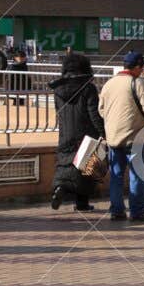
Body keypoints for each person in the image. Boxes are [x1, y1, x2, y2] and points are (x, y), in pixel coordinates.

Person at [98, 50, 144, 223]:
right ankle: (137, 212)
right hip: (134, 137)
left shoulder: (109, 83)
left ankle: (117, 211)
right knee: (137, 175)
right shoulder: (137, 83)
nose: (143, 70)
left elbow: (101, 110)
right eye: (142, 67)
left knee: (116, 176)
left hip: (113, 138)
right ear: (137, 67)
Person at [51, 52, 103, 212]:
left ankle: (61, 187)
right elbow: (94, 114)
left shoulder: (58, 89)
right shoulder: (88, 88)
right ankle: (82, 204)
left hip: (66, 132)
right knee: (85, 169)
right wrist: (103, 132)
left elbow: (59, 112)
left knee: (65, 162)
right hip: (86, 134)